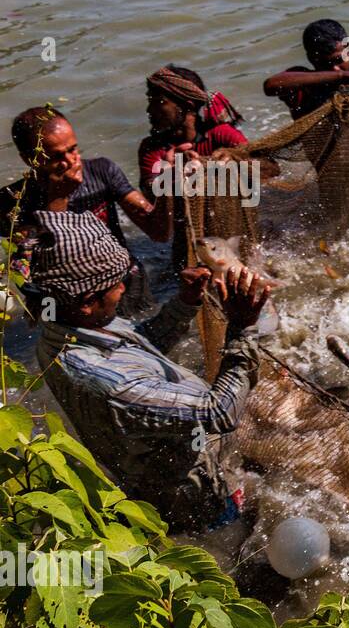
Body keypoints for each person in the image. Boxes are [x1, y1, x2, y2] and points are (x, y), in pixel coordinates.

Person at [28, 210, 269, 533]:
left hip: (170, 453)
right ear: (87, 300)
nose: (124, 290)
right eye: (117, 284)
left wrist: (184, 303)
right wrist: (241, 329)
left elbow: (139, 348)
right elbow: (220, 412)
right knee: (224, 534)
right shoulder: (108, 382)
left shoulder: (68, 323)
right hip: (184, 491)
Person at [4, 106, 165, 316]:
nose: (71, 161)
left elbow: (158, 232)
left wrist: (168, 187)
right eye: (57, 156)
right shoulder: (11, 201)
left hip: (122, 282)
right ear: (30, 160)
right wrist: (58, 198)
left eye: (73, 149)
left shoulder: (101, 171)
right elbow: (29, 273)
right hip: (67, 302)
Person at [136, 65, 249, 271]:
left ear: (187, 105)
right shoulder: (152, 149)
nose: (149, 110)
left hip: (234, 236)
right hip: (187, 247)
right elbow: (150, 196)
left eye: (159, 102)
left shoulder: (222, 136)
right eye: (149, 101)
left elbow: (269, 170)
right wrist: (170, 173)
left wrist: (233, 160)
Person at [262, 18, 349, 120]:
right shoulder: (303, 86)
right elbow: (270, 86)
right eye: (325, 63)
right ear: (311, 59)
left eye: (339, 60)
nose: (334, 68)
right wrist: (341, 75)